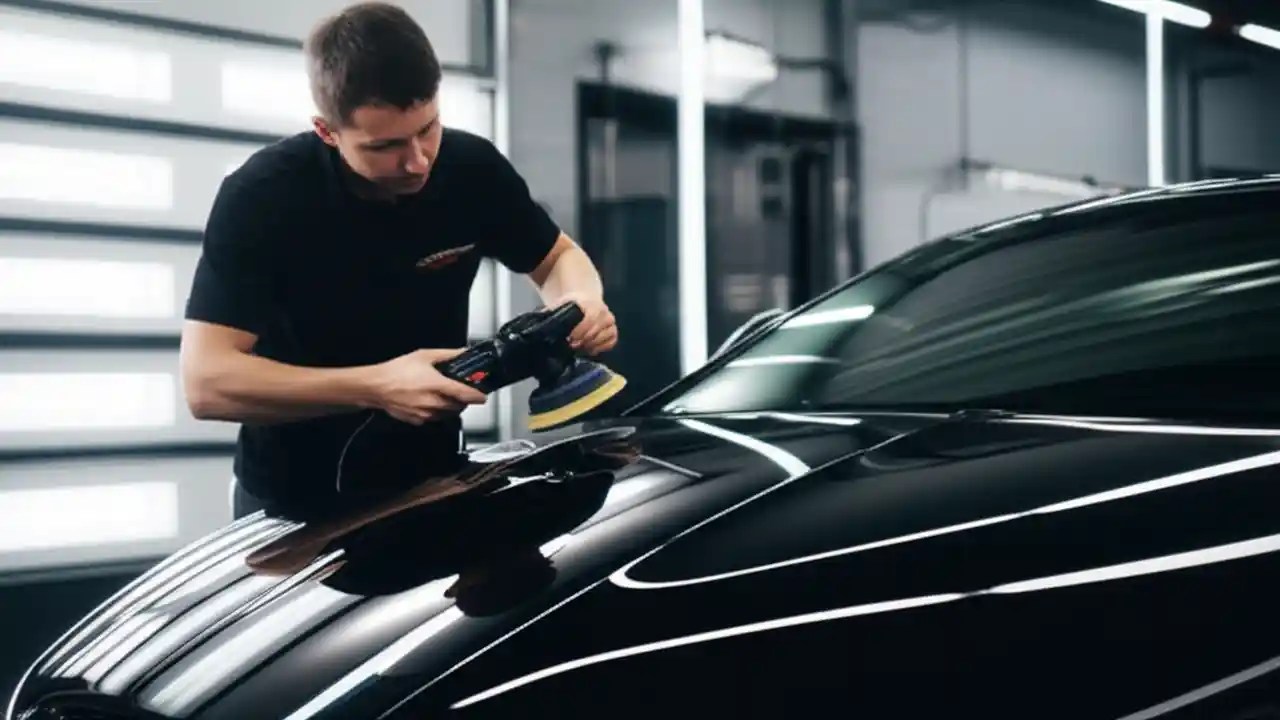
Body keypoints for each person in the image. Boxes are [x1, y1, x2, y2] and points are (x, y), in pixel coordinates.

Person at [179, 1, 617, 520]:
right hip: (291, 500)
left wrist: (581, 299)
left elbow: (556, 257)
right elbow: (207, 382)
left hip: (432, 477)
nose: (418, 160)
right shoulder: (262, 196)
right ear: (327, 131)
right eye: (385, 146)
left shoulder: (472, 170)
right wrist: (376, 386)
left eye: (428, 127)